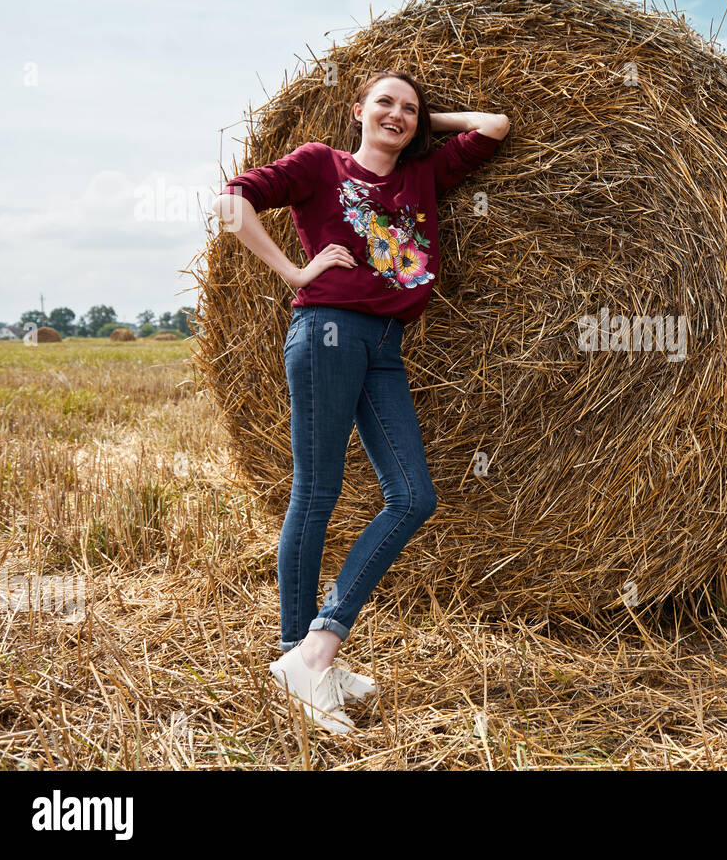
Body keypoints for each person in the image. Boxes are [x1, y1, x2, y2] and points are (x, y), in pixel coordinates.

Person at [209, 71, 509, 733]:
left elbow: (494, 126)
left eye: (408, 107)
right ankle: (303, 658)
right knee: (316, 493)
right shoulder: (322, 163)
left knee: (413, 495)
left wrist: (427, 120)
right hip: (328, 331)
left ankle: (312, 650)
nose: (397, 114)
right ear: (357, 111)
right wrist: (293, 271)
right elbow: (233, 202)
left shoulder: (422, 180)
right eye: (384, 103)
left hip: (385, 346)